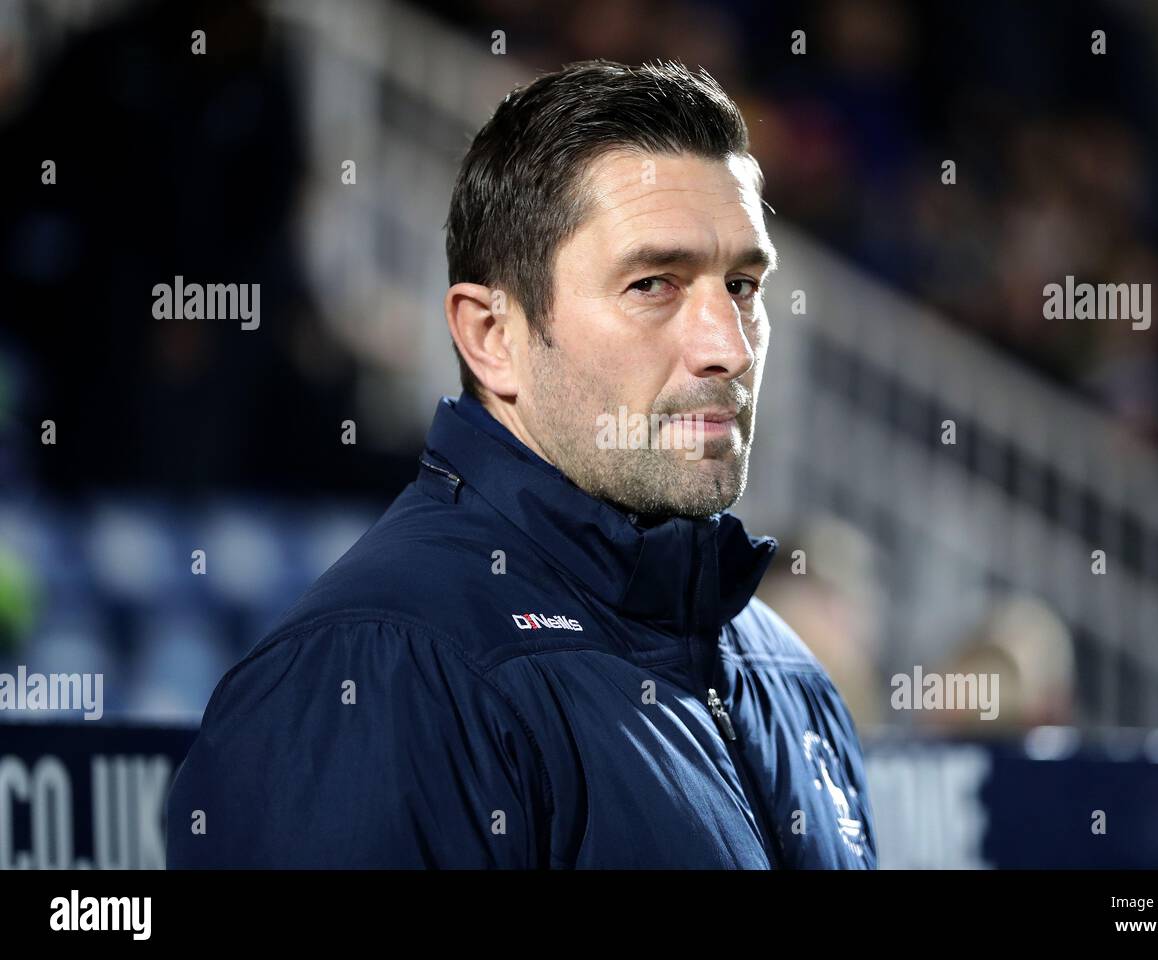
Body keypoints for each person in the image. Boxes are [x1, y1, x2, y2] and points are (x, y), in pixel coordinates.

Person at [166, 59, 877, 869]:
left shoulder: (789, 672)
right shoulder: (375, 675)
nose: (728, 346)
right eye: (653, 284)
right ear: (491, 338)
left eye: (743, 286)